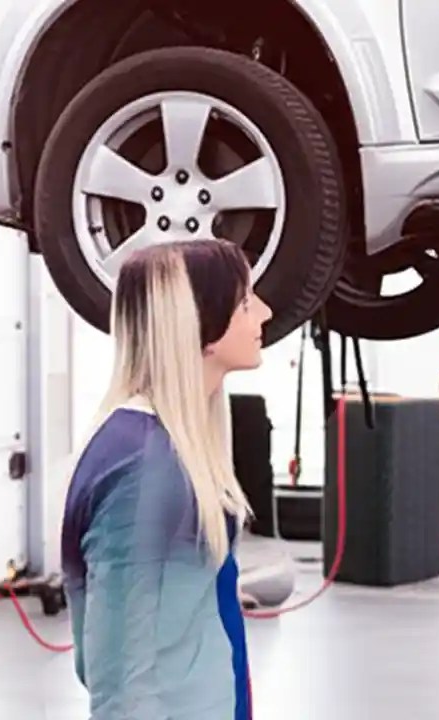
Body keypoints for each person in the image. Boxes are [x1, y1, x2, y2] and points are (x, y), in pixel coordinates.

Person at [60, 238, 274, 719]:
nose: (263, 312)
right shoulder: (143, 463)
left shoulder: (177, 443)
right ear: (204, 328)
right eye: (245, 302)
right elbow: (118, 672)